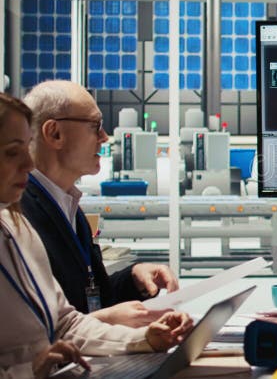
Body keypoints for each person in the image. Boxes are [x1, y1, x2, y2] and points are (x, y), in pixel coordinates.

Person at [0, 93, 193, 379]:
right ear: (53, 133)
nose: (28, 164)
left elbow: (64, 323)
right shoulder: (27, 215)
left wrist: (145, 339)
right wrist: (27, 373)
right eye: (13, 152)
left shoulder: (18, 228)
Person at [21, 80, 179, 328]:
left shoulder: (67, 204)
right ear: (54, 133)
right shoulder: (18, 215)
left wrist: (133, 280)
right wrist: (100, 321)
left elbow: (89, 297)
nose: (104, 137)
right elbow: (25, 330)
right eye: (95, 126)